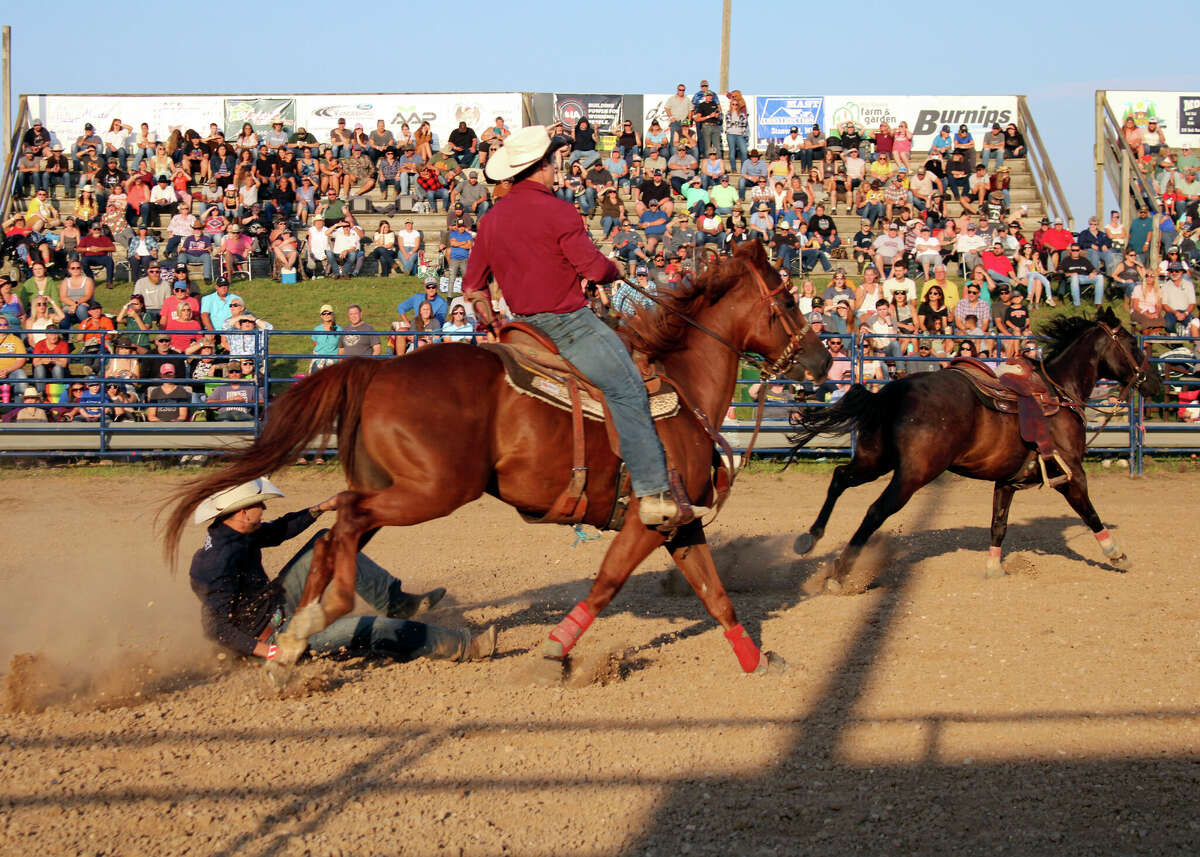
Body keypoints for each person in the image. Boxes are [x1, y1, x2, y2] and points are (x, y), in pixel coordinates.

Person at [463, 125, 702, 529]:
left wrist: (491, 319)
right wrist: (614, 269)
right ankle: (654, 493)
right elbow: (592, 268)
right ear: (543, 165)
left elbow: (473, 286)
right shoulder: (559, 210)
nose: (558, 167)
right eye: (554, 160)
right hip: (570, 325)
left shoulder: (491, 219)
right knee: (627, 389)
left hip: (523, 329)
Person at [187, 478, 495, 665]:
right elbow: (216, 628)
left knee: (331, 544)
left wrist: (321, 508)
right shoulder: (218, 562)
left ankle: (396, 602)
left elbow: (279, 531)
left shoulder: (236, 531)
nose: (264, 509)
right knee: (371, 628)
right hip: (277, 637)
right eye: (259, 505)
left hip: (275, 604)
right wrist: (269, 653)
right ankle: (464, 646)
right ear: (242, 511)